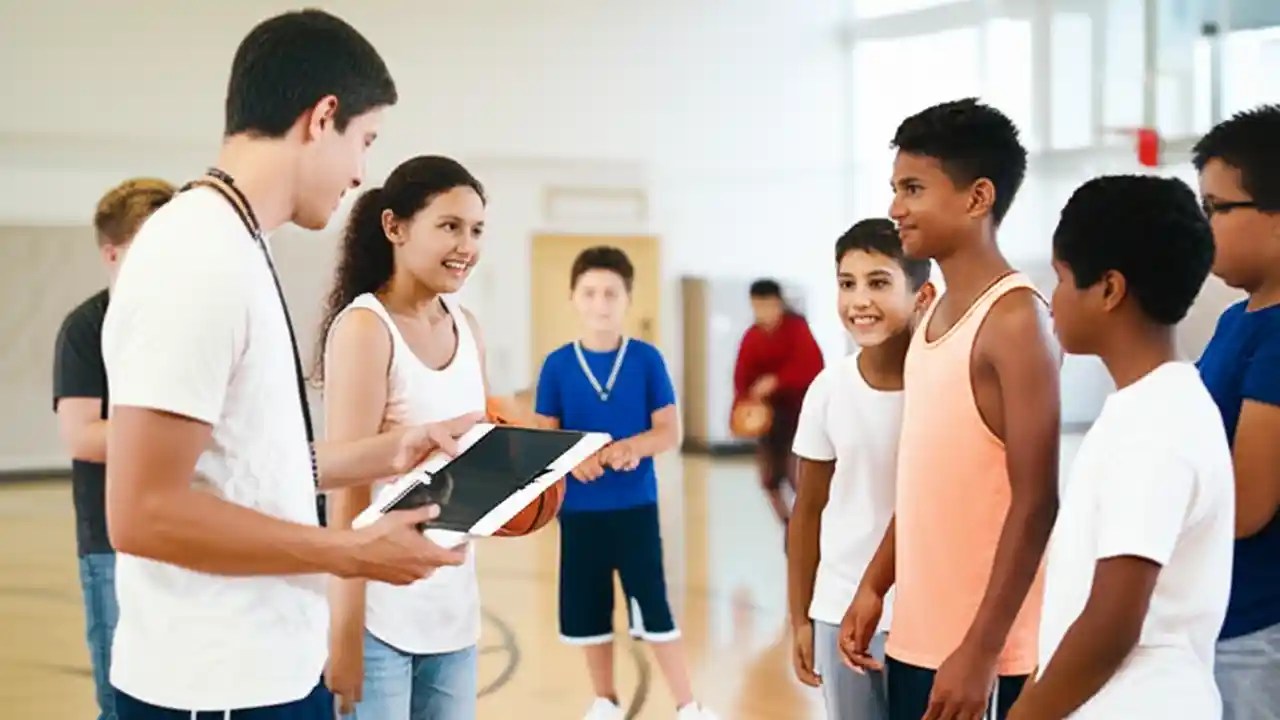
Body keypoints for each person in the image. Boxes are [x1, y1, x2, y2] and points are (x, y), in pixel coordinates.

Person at [100, 10, 470, 718]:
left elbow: (242, 468)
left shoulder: (236, 242)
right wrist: (346, 551)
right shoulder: (196, 253)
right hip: (216, 690)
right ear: (321, 116)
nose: (363, 171)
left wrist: (389, 450)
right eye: (365, 141)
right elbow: (142, 513)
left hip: (264, 674)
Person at [843, 98, 1061, 720]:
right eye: (894, 188)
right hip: (918, 633)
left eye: (913, 188)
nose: (895, 208)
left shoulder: (1017, 320)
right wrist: (875, 583)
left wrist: (980, 650)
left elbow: (1037, 500)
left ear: (977, 197)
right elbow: (924, 480)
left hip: (982, 654)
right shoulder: (933, 314)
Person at [1006, 175, 1231, 719]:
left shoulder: (1157, 423)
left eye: (1060, 279)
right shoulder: (1146, 405)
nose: (1052, 299)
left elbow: (1113, 621)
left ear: (1109, 289)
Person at [320, 155, 491, 719]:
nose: (466, 244)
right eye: (449, 226)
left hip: (453, 612)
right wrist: (344, 630)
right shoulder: (366, 328)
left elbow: (473, 463)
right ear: (395, 227)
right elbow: (343, 484)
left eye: (476, 229)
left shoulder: (468, 327)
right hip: (379, 621)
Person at [534, 246, 717, 720]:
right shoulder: (557, 366)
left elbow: (668, 432)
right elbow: (543, 438)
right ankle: (605, 700)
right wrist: (574, 460)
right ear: (573, 297)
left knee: (654, 606)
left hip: (635, 509)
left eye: (610, 293)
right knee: (588, 610)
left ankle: (687, 705)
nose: (600, 303)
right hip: (578, 513)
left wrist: (632, 447)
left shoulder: (645, 359)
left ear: (627, 298)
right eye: (590, 292)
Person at [787, 219, 933, 719]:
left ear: (921, 294)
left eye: (878, 282)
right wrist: (801, 619)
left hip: (928, 616)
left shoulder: (943, 389)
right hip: (838, 612)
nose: (858, 300)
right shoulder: (828, 389)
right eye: (847, 284)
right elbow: (806, 512)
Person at [52, 177, 175, 720]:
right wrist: (183, 432)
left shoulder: (186, 321)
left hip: (187, 532)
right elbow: (83, 435)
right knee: (123, 703)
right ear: (112, 253)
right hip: (111, 543)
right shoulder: (86, 327)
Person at [1191, 104, 1280, 719]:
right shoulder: (1235, 319)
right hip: (1217, 620)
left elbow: (1246, 505)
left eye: (1217, 209)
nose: (1204, 227)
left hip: (1257, 632)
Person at [732, 278, 824, 527]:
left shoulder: (797, 329)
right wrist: (741, 409)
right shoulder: (752, 337)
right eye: (757, 307)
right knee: (769, 477)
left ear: (778, 304)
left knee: (798, 475)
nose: (763, 313)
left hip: (800, 414)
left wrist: (777, 381)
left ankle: (811, 521)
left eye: (768, 306)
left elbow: (812, 366)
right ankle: (788, 523)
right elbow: (742, 379)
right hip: (768, 418)